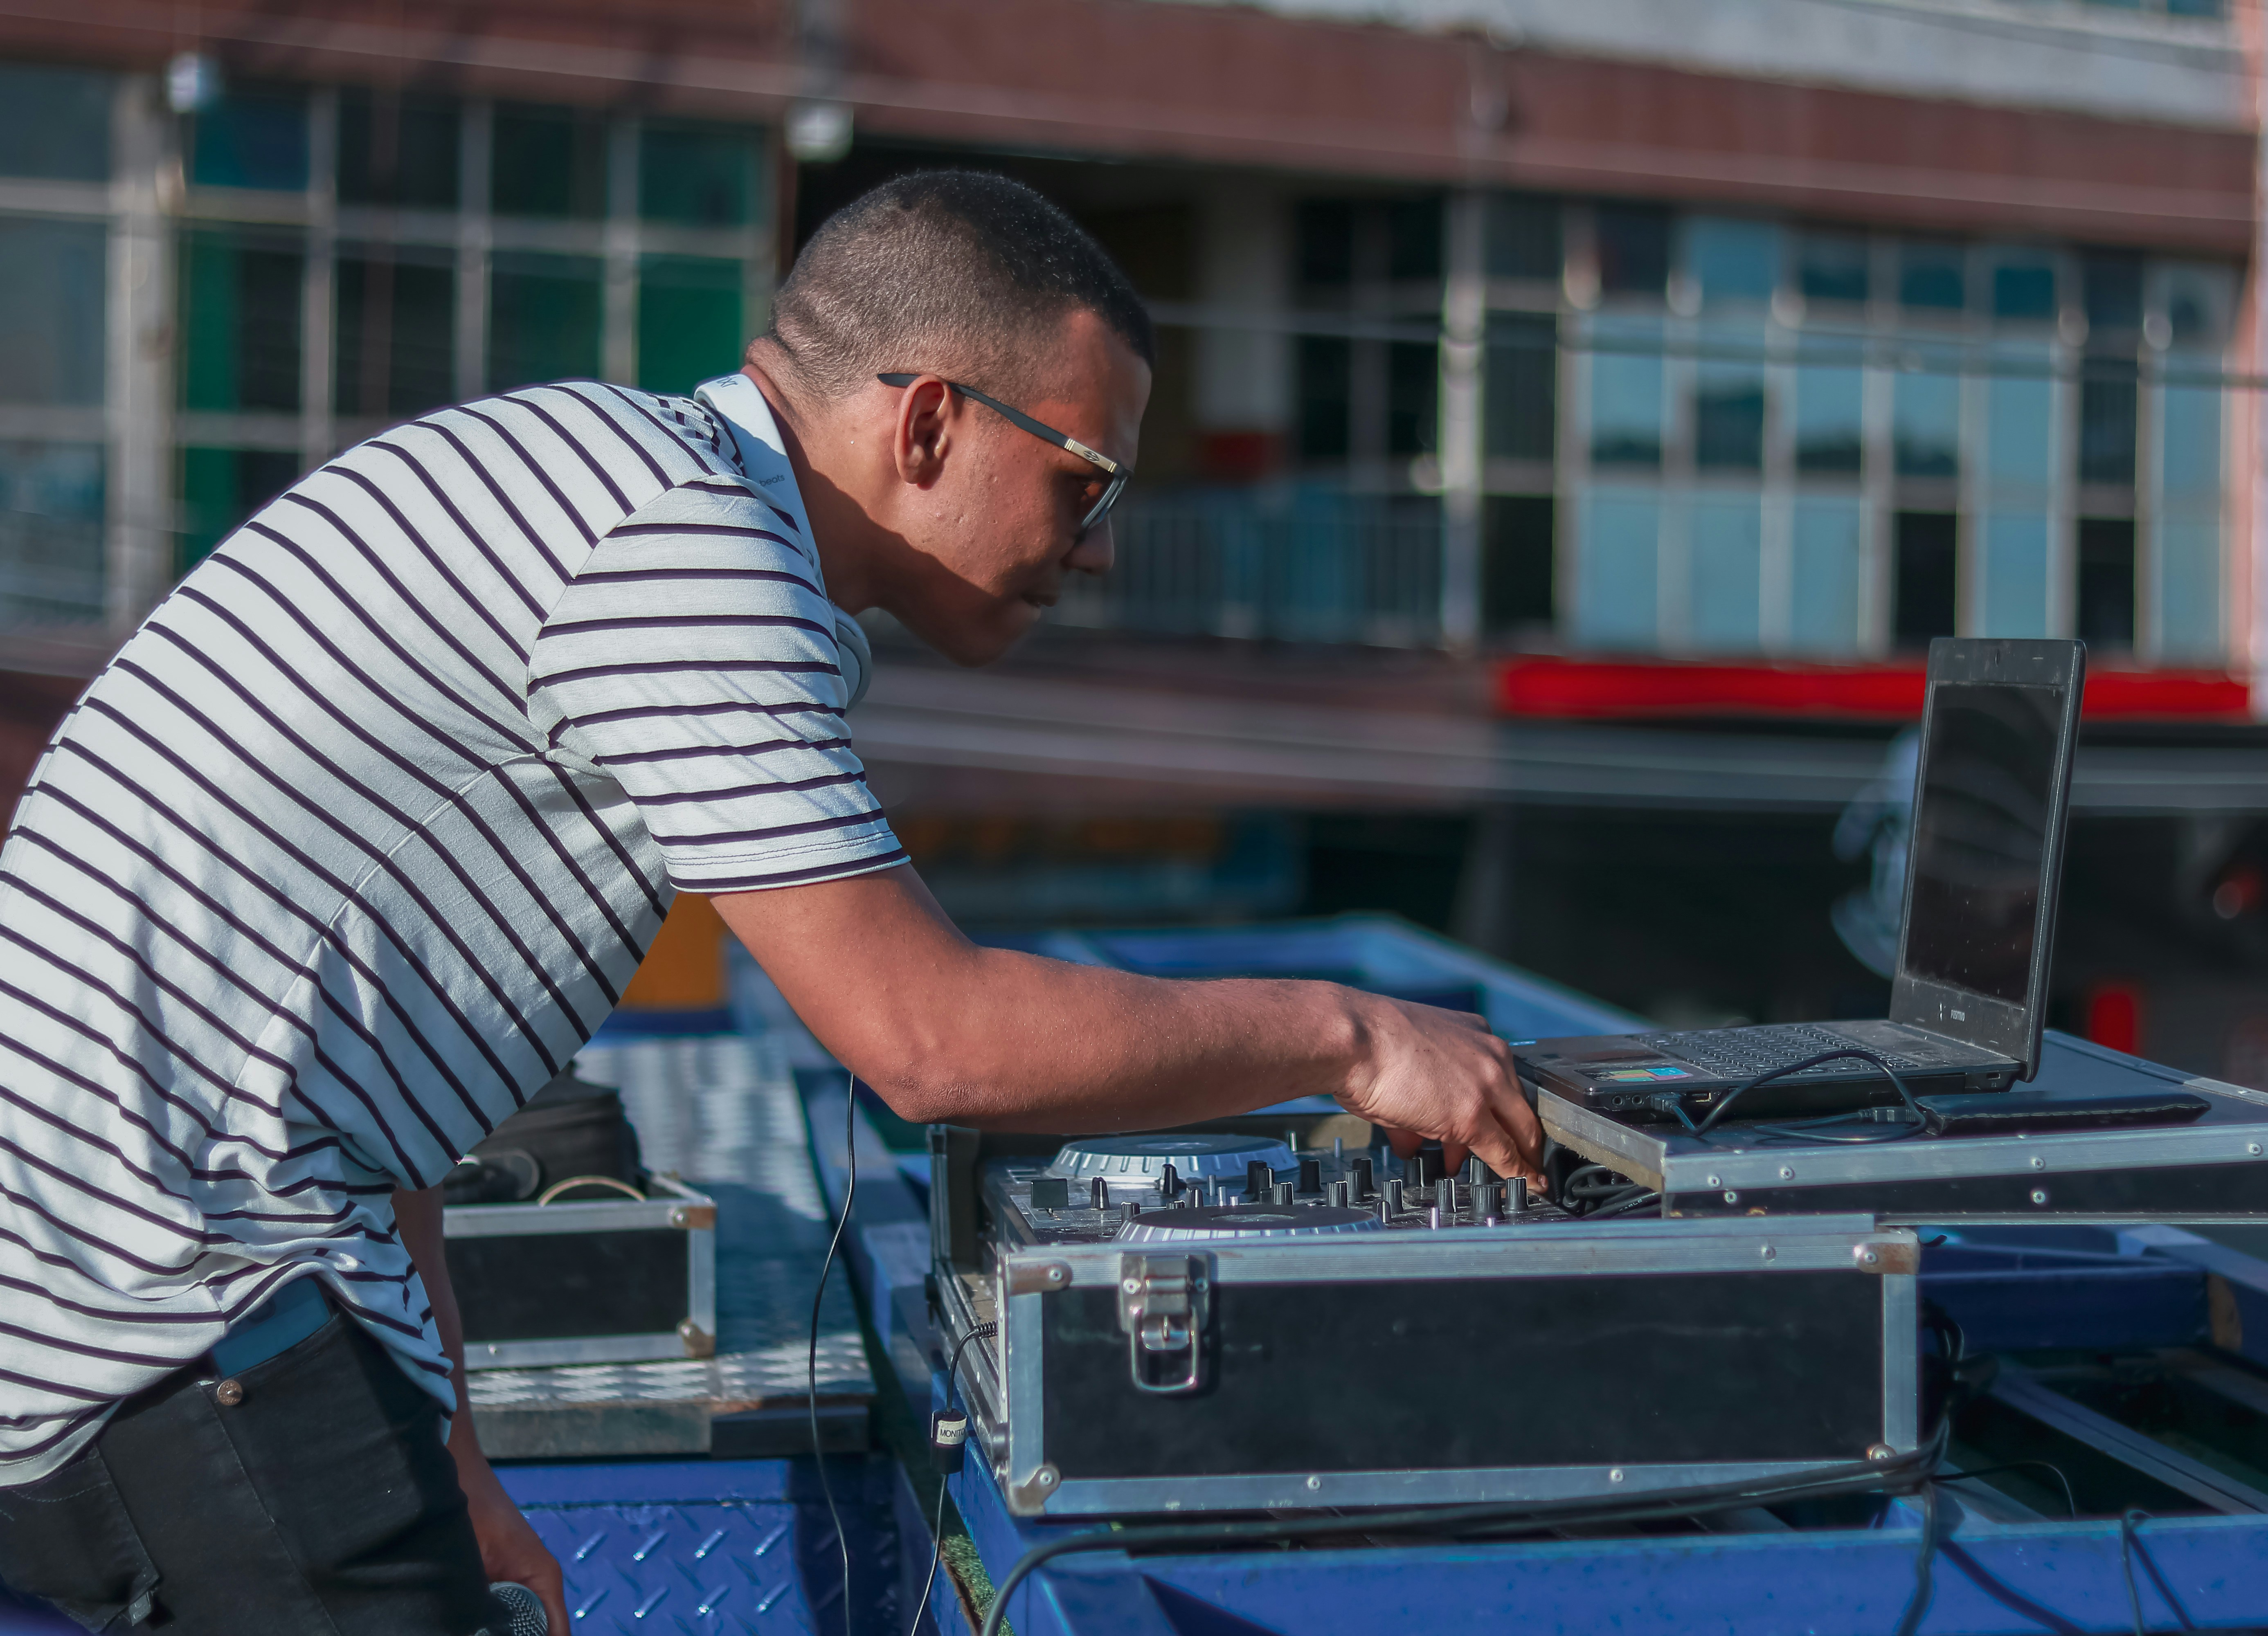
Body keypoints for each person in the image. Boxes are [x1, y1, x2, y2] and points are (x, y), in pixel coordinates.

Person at [0, 170, 1543, 1634]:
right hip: (165, 1319)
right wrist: (1353, 1040)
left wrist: (452, 1464)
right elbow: (930, 1042)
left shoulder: (610, 469)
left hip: (105, 1296)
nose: (1098, 545)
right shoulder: (690, 545)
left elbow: (361, 1089)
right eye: (1086, 480)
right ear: (930, 422)